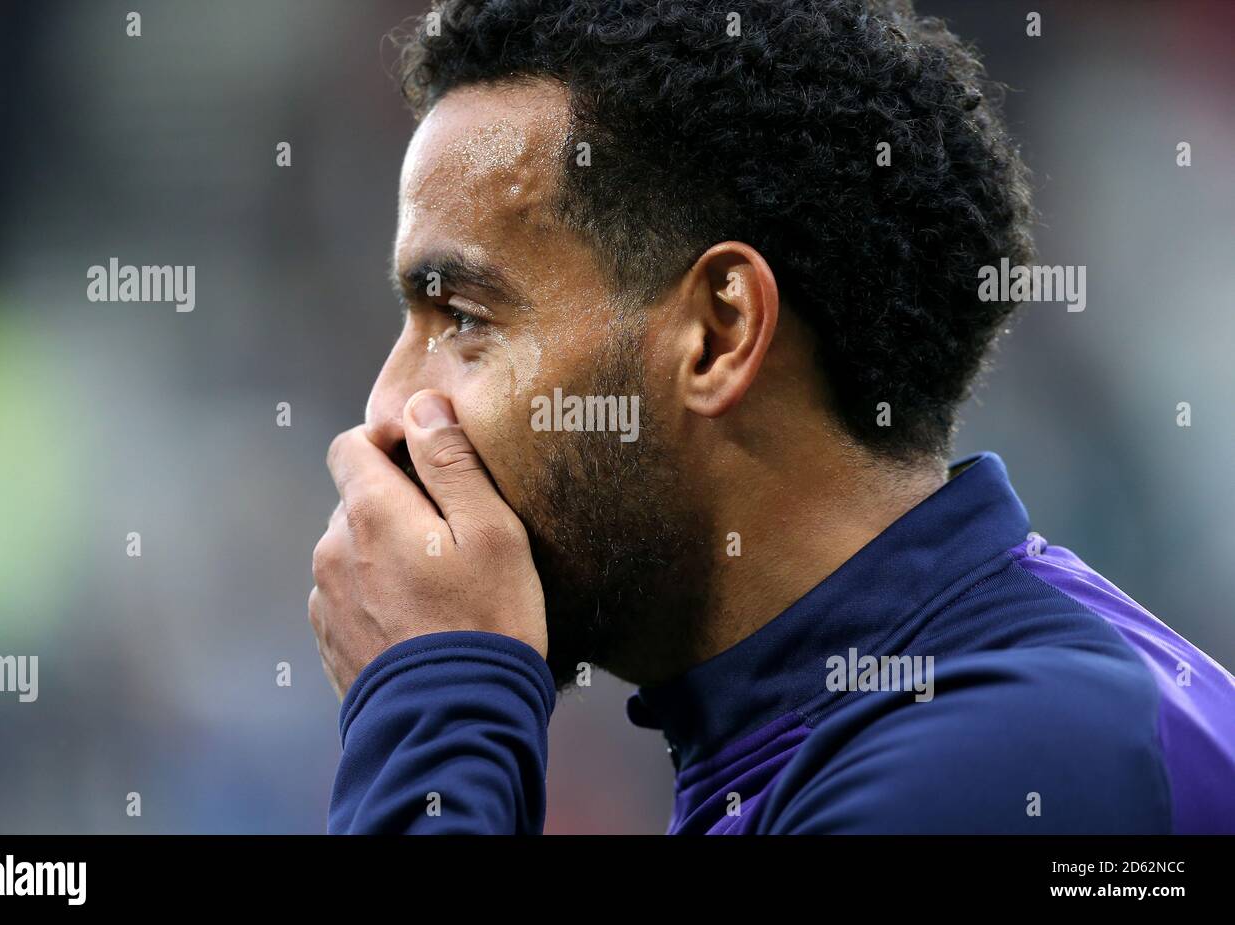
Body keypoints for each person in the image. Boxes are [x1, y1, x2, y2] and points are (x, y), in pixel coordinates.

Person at [307, 0, 1235, 834]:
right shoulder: (829, 725)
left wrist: (433, 700)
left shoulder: (1009, 754)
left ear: (719, 332)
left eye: (464, 318)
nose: (389, 408)